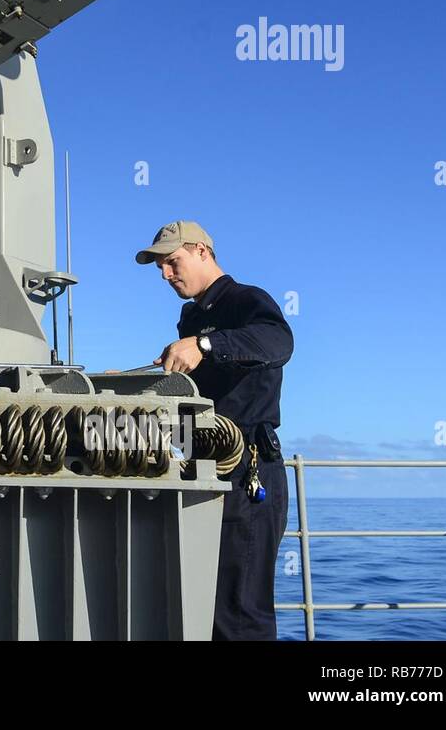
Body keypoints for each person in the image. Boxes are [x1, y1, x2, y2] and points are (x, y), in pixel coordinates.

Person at [134, 220, 293, 641]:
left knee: (239, 611)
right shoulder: (190, 315)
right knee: (202, 602)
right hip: (199, 469)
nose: (166, 275)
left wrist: (203, 346)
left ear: (202, 251)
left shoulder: (246, 299)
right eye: (160, 269)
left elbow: (279, 343)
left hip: (247, 473)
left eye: (172, 262)